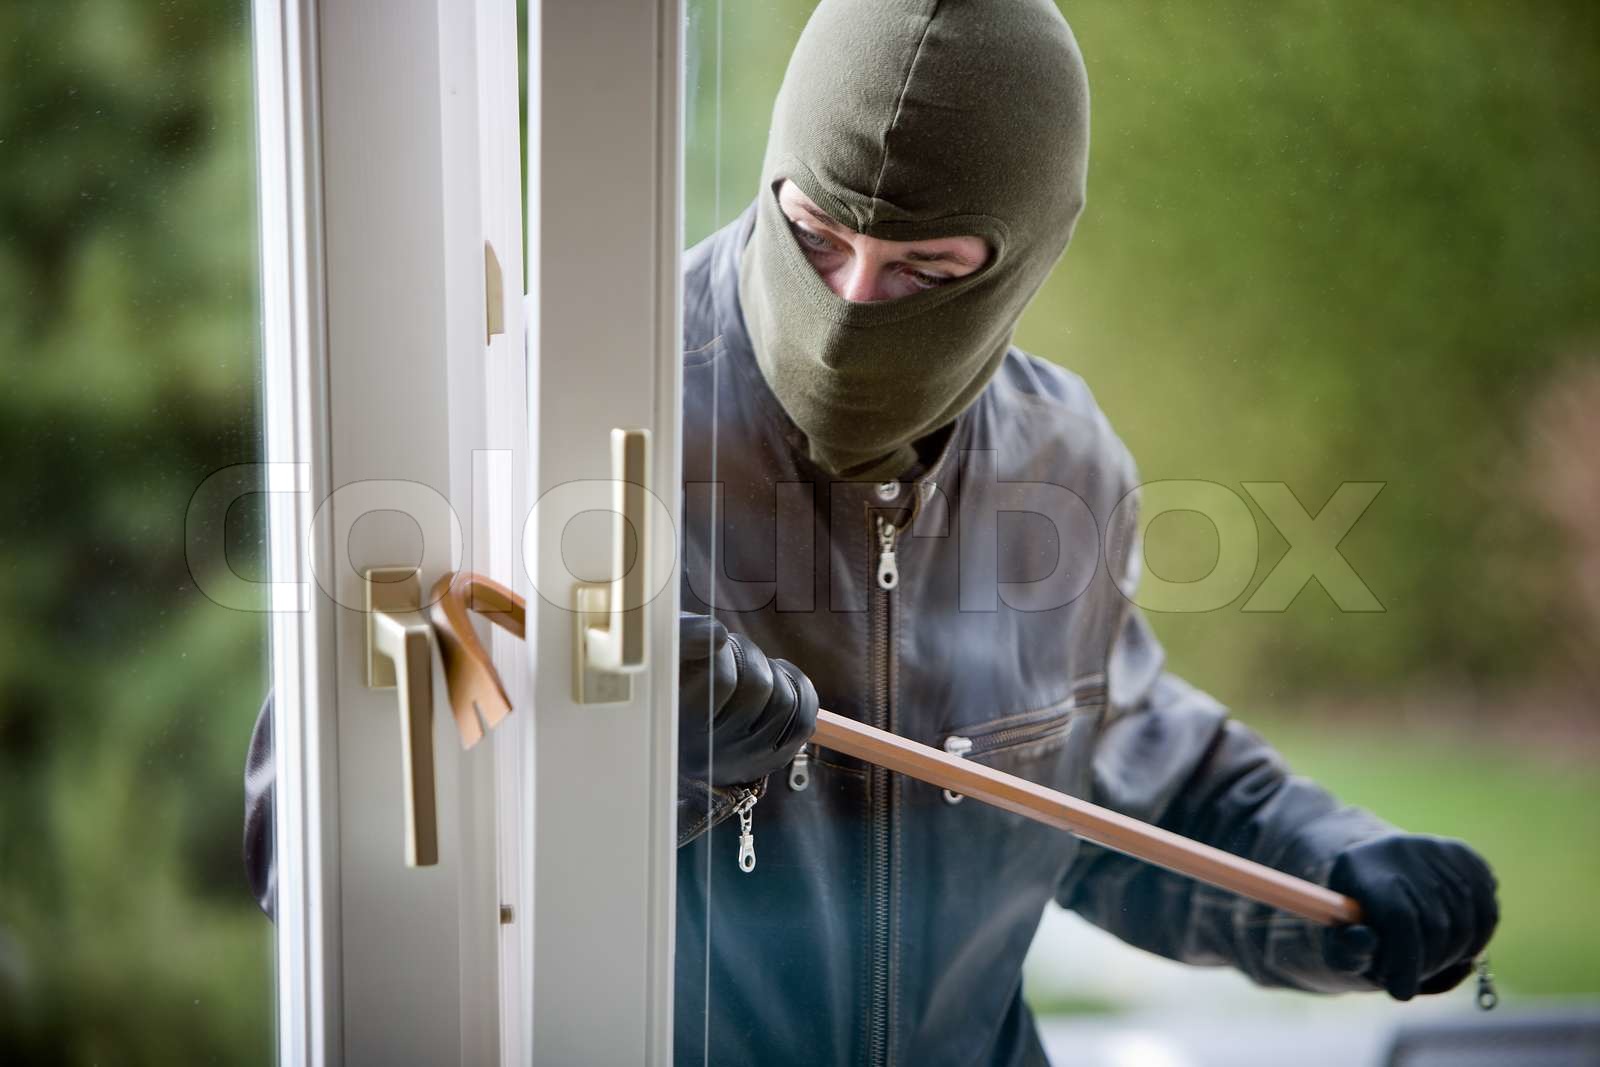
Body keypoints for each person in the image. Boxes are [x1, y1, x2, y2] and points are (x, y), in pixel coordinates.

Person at [247, 1, 1499, 1063]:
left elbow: (1130, 780)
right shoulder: (563, 409)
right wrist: (615, 763)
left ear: (1020, 262)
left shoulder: (1063, 461)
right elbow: (313, 846)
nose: (851, 310)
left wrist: (1348, 876)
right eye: (815, 237)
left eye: (923, 272)